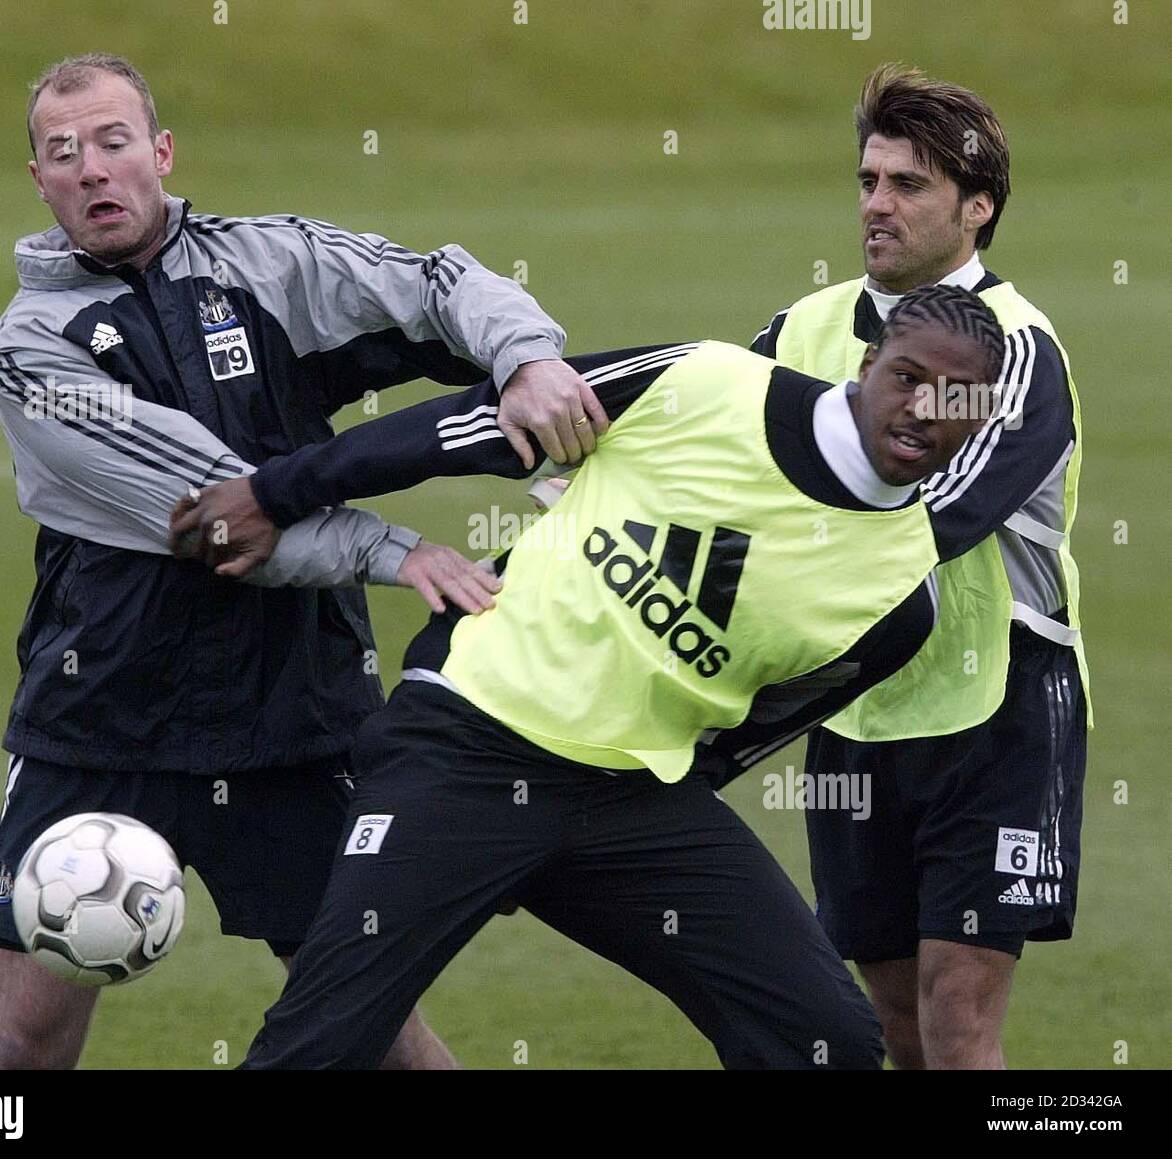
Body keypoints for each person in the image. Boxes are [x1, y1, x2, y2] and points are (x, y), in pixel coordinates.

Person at [174, 285, 1007, 1069]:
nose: (922, 410)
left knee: (826, 1039)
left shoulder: (903, 600)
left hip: (629, 800)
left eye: (956, 396)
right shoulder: (708, 381)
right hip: (467, 740)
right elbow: (471, 427)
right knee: (325, 1039)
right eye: (907, 377)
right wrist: (273, 493)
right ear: (865, 367)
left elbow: (749, 733)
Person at [0, 51, 606, 1070]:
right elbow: (213, 513)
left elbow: (436, 283)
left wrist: (526, 357)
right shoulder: (30, 347)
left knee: (377, 1029)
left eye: (113, 142)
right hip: (100, 719)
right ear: (39, 184)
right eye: (63, 154)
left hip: (289, 717)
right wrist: (391, 550)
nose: (92, 170)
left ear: (161, 152)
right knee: (22, 1045)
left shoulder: (268, 263)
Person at [746, 64, 1090, 1069]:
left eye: (908, 185)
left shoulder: (1014, 351)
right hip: (851, 707)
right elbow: (714, 457)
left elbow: (935, 519)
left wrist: (772, 559)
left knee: (956, 1014)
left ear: (977, 208)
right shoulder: (800, 331)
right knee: (892, 1017)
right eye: (867, 181)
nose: (876, 206)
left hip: (996, 705)